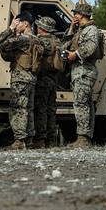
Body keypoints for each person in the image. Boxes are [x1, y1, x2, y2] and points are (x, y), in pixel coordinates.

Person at [0, 10, 41, 149]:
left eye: (19, 22)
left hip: (20, 78)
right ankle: (30, 139)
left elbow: (2, 45)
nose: (17, 24)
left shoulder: (23, 39)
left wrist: (11, 29)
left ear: (25, 24)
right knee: (29, 108)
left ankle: (19, 141)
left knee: (18, 108)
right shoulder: (36, 39)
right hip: (31, 78)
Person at [65, 0, 102, 148]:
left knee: (81, 103)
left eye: (76, 14)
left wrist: (75, 55)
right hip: (80, 71)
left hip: (84, 71)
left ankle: (83, 138)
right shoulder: (80, 30)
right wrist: (71, 28)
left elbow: (90, 47)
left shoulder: (91, 30)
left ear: (82, 14)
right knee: (84, 103)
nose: (74, 16)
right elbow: (66, 42)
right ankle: (85, 137)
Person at [31, 16, 60, 148]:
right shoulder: (57, 41)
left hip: (42, 78)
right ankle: (51, 140)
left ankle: (40, 139)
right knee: (51, 109)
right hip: (54, 79)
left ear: (42, 28)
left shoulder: (40, 41)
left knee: (40, 109)